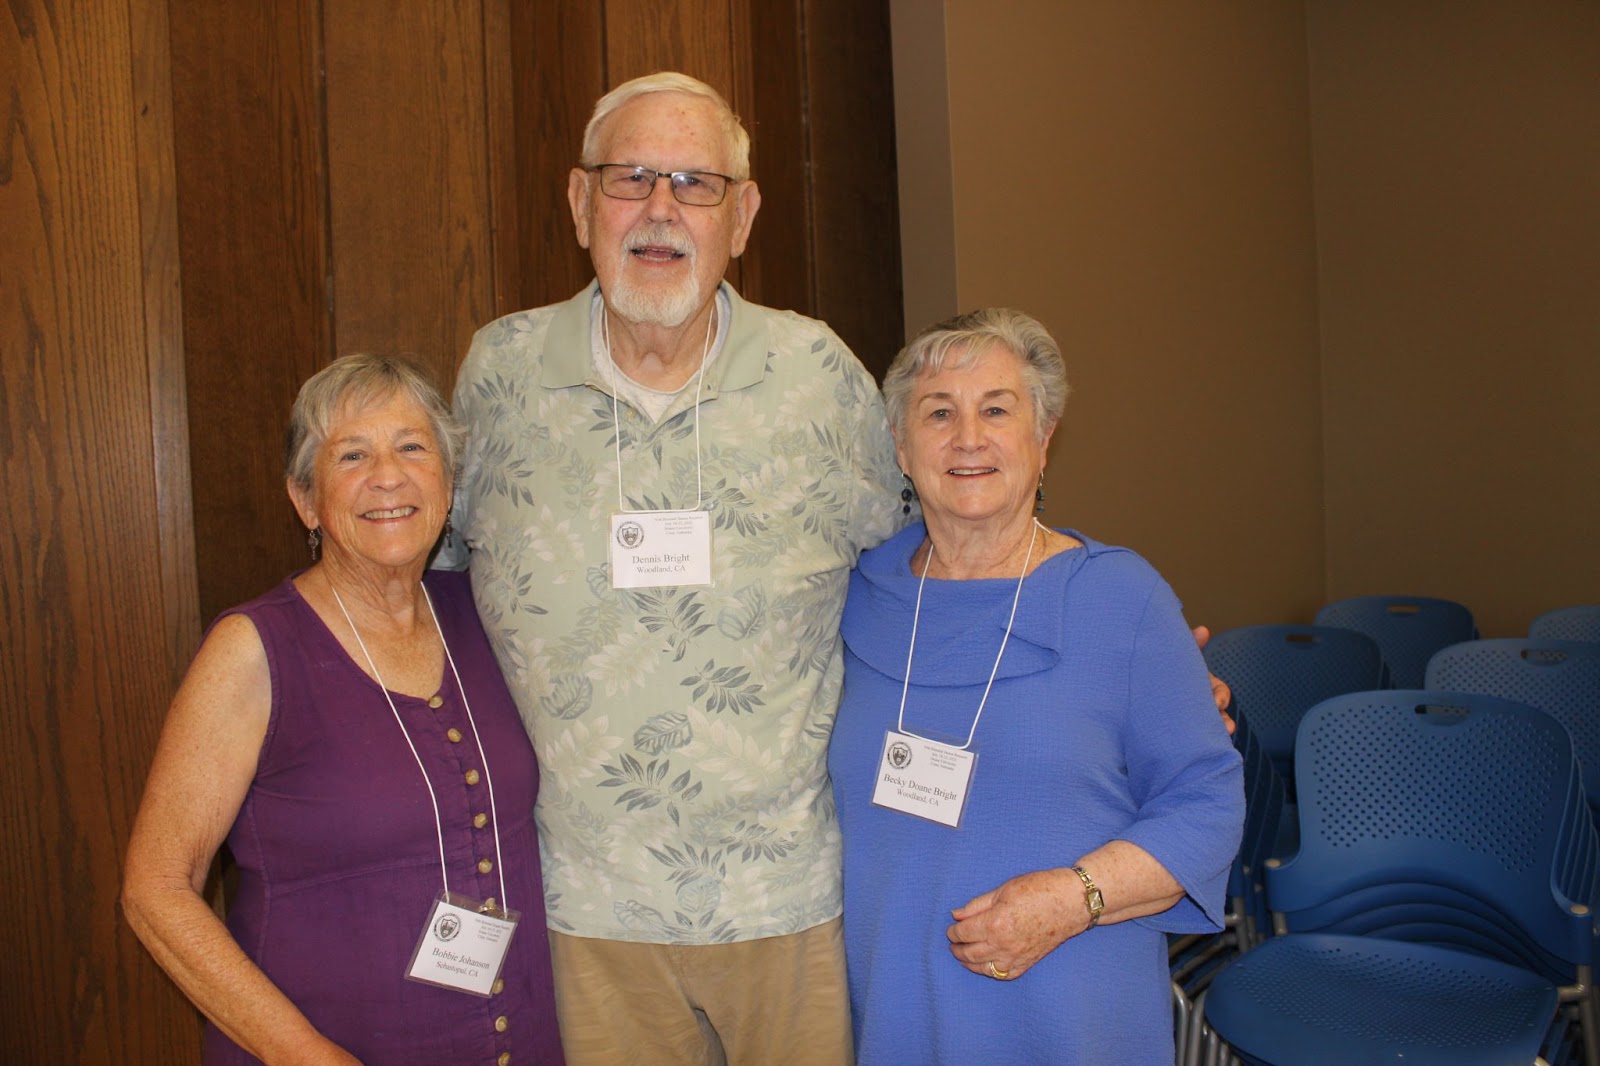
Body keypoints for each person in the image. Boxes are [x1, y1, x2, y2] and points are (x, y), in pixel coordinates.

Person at [443, 72, 904, 1064]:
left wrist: (1097, 662)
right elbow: (424, 587)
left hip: (780, 900)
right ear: (578, 202)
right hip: (579, 908)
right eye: (631, 178)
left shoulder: (820, 376)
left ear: (743, 215)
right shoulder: (501, 374)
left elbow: (927, 560)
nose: (660, 209)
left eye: (696, 183)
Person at [827, 308, 1245, 1064]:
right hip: (890, 1013)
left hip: (1067, 1015)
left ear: (1043, 439)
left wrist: (1071, 897)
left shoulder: (1121, 599)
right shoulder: (858, 596)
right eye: (938, 413)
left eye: (996, 409)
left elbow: (1207, 803)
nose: (968, 437)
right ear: (900, 445)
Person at [123, 355, 563, 1065]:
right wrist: (302, 1054)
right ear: (305, 499)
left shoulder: (485, 616)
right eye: (352, 454)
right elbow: (155, 889)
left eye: (412, 448)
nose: (388, 475)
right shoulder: (256, 651)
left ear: (448, 486)